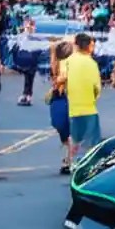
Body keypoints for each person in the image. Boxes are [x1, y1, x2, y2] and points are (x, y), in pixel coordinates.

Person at [65, 32, 102, 161]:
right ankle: (88, 166)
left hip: (73, 109)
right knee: (91, 144)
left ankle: (73, 163)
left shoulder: (68, 61)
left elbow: (63, 81)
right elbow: (97, 88)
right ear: (87, 47)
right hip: (89, 109)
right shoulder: (92, 63)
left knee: (75, 140)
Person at [49, 39, 74, 175]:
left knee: (67, 127)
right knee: (57, 123)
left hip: (68, 96)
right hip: (57, 95)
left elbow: (63, 77)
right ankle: (68, 155)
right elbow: (54, 72)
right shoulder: (57, 61)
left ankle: (69, 160)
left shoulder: (72, 63)